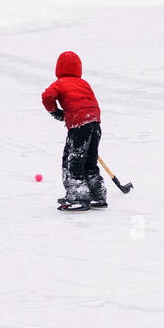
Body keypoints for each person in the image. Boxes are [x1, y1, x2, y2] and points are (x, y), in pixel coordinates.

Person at [41, 51, 107, 211]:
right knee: (90, 160)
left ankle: (78, 196)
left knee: (73, 159)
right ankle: (97, 194)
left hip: (79, 125)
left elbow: (47, 97)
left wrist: (56, 112)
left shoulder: (59, 83)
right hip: (95, 123)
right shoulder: (84, 83)